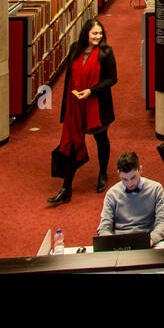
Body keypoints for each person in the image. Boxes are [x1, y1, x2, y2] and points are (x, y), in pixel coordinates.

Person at [47, 18, 117, 204]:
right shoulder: (75, 49)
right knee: (72, 142)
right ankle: (66, 187)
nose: (98, 36)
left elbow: (112, 79)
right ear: (86, 33)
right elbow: (69, 75)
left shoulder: (106, 53)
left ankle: (103, 173)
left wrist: (91, 91)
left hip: (96, 106)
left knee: (101, 139)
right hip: (75, 105)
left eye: (100, 33)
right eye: (94, 33)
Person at [95, 152, 164, 245]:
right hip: (120, 243)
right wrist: (112, 243)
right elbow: (104, 227)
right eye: (124, 179)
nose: (129, 183)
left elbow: (163, 223)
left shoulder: (155, 189)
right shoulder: (112, 194)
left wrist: (151, 240)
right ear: (118, 174)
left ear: (140, 170)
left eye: (133, 177)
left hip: (147, 239)